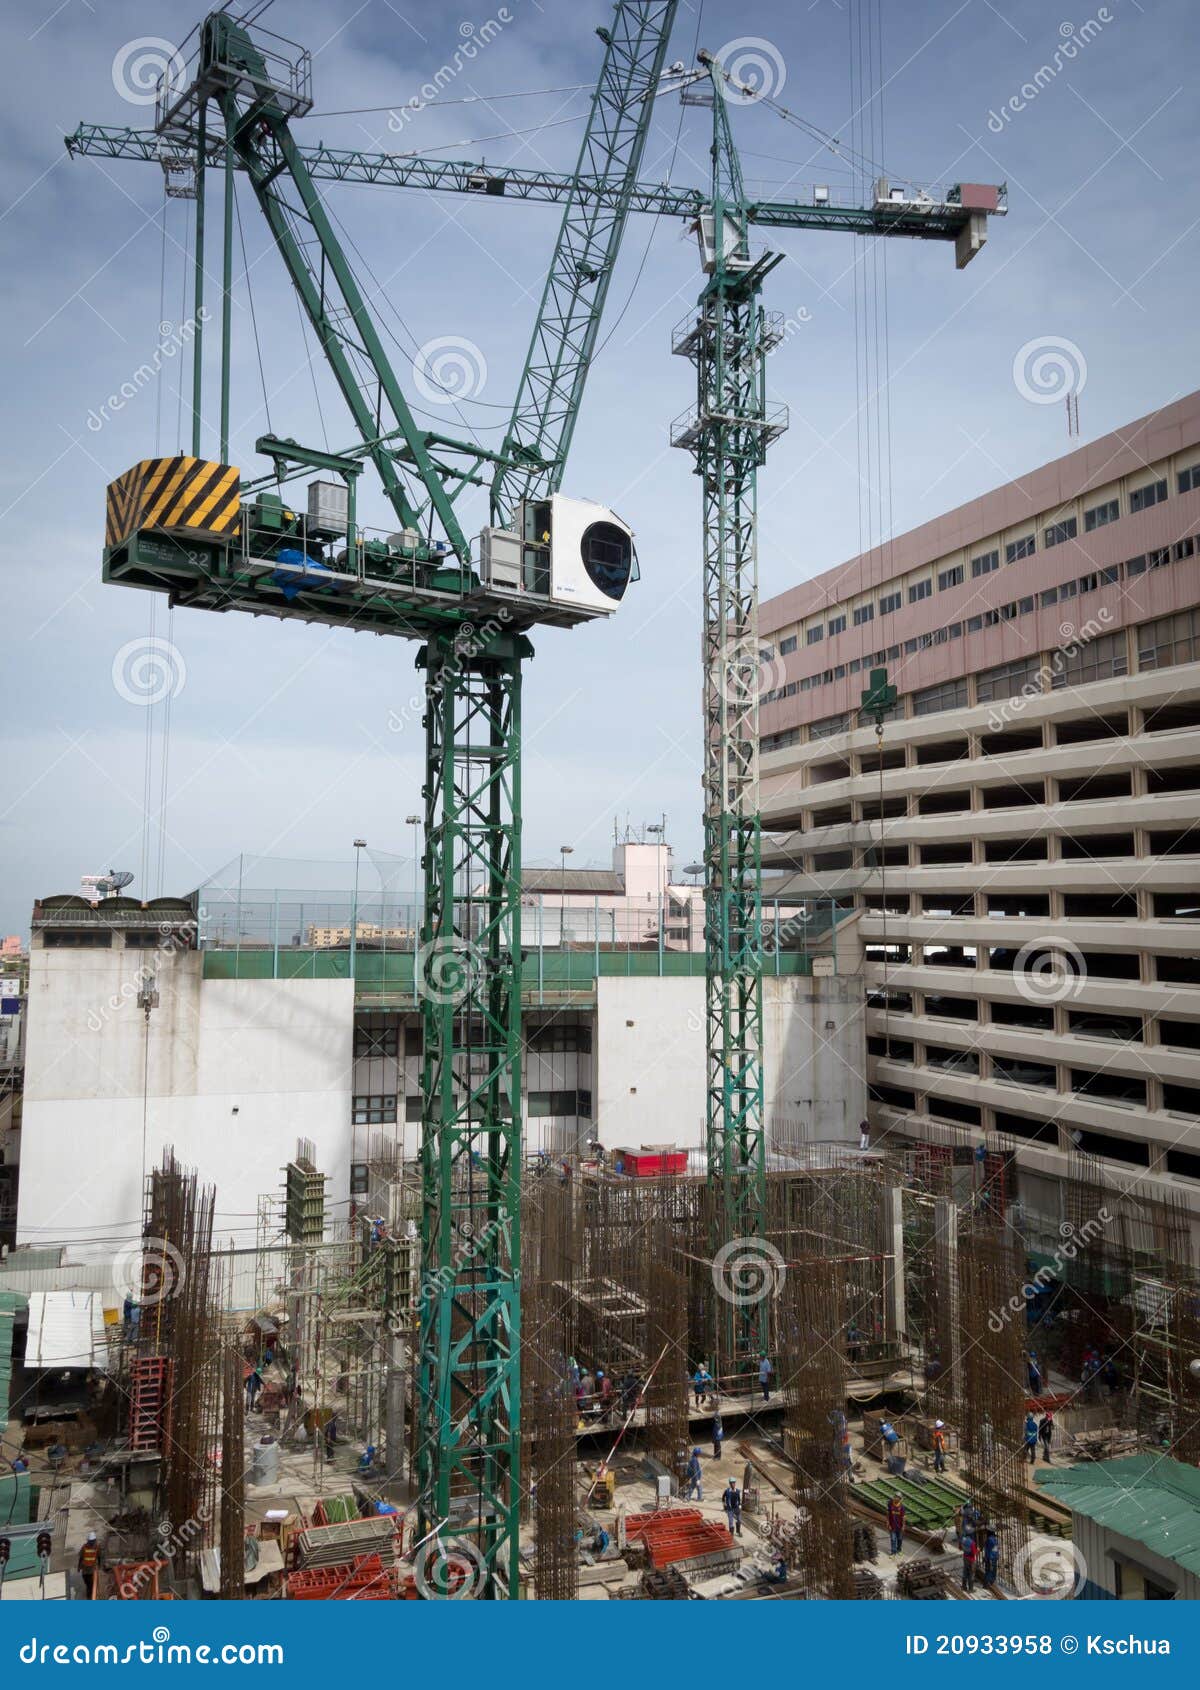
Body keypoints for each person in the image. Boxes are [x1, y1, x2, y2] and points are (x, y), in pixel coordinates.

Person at [77, 1532, 101, 1598]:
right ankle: (89, 1593)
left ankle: (89, 1597)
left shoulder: (96, 1547)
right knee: (87, 1583)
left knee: (90, 1585)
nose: (92, 1543)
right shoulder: (84, 1547)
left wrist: (99, 1564)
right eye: (91, 1541)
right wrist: (78, 1567)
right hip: (85, 1569)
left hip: (91, 1570)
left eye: (92, 1541)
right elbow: (81, 1557)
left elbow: (99, 1556)